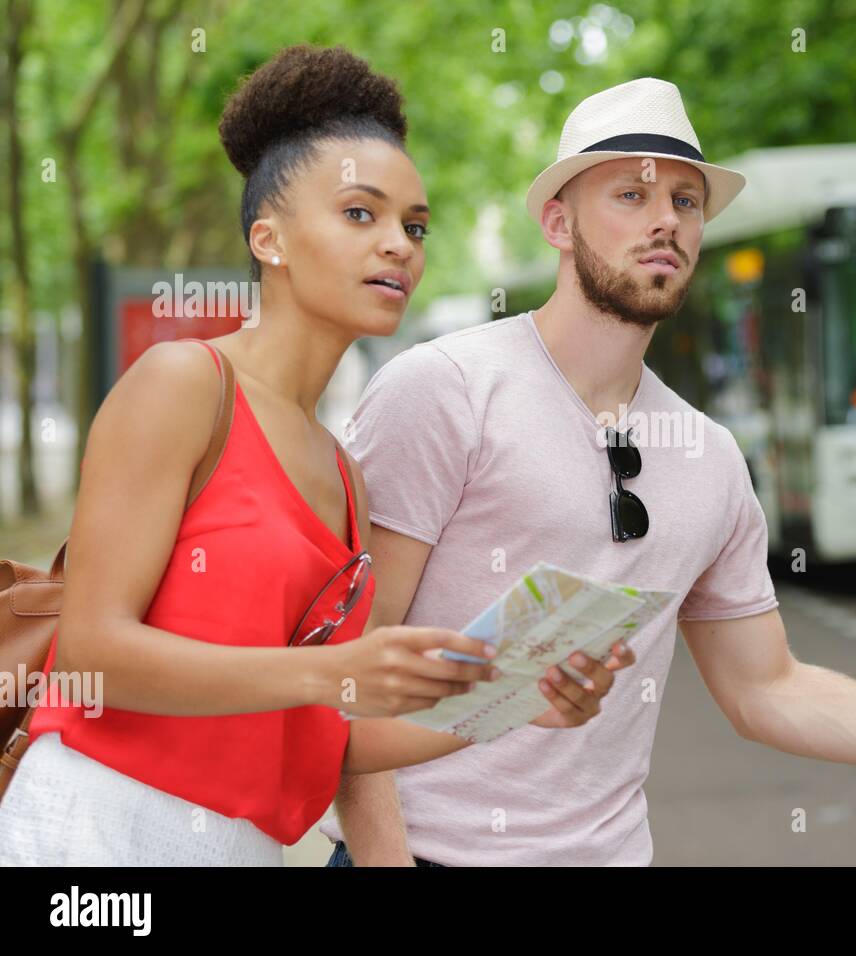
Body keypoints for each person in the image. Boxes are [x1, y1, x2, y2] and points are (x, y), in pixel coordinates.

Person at [325, 77, 856, 868]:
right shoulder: (442, 392)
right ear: (557, 221)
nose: (666, 222)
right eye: (631, 196)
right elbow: (345, 677)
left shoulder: (711, 456)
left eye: (686, 202)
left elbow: (768, 691)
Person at [0, 45, 630, 867]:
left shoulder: (344, 476)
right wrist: (321, 676)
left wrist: (511, 697)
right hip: (98, 831)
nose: (399, 245)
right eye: (360, 214)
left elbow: (330, 741)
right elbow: (93, 655)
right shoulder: (185, 384)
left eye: (415, 226)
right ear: (270, 239)